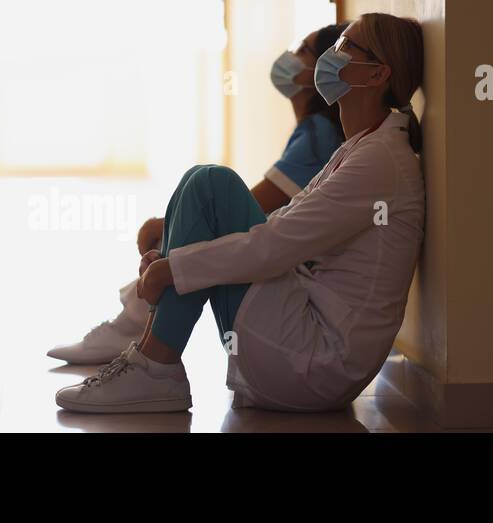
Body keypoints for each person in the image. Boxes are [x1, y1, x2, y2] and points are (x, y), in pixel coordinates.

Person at [55, 13, 426, 413]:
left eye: (345, 47)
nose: (329, 58)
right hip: (306, 340)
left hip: (318, 361)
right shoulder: (362, 148)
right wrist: (173, 259)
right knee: (201, 180)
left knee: (213, 184)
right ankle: (151, 355)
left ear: (376, 76)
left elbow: (276, 245)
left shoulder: (381, 159)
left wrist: (173, 268)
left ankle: (155, 366)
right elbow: (280, 228)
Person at [47, 23, 349, 365]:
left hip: (293, 285)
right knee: (197, 195)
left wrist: (169, 226)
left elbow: (251, 208)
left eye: (302, 50)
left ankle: (134, 327)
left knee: (205, 193)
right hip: (291, 276)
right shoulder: (313, 132)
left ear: (323, 69)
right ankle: (134, 325)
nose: (290, 57)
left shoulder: (318, 135)